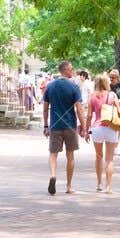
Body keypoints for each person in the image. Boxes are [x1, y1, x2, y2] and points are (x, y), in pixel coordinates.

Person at [42, 60, 86, 195]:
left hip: (55, 125)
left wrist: (46, 125)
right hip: (70, 125)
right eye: (71, 69)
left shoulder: (50, 86)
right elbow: (79, 109)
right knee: (70, 155)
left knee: (53, 154)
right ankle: (69, 186)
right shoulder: (74, 87)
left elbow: (45, 108)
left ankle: (53, 175)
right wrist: (83, 126)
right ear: (65, 70)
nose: (72, 71)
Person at [88, 72, 120, 192]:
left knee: (98, 157)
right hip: (110, 127)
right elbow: (119, 112)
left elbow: (89, 115)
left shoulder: (92, 96)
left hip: (97, 127)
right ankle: (108, 186)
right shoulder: (112, 95)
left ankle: (99, 184)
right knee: (109, 159)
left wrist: (87, 130)